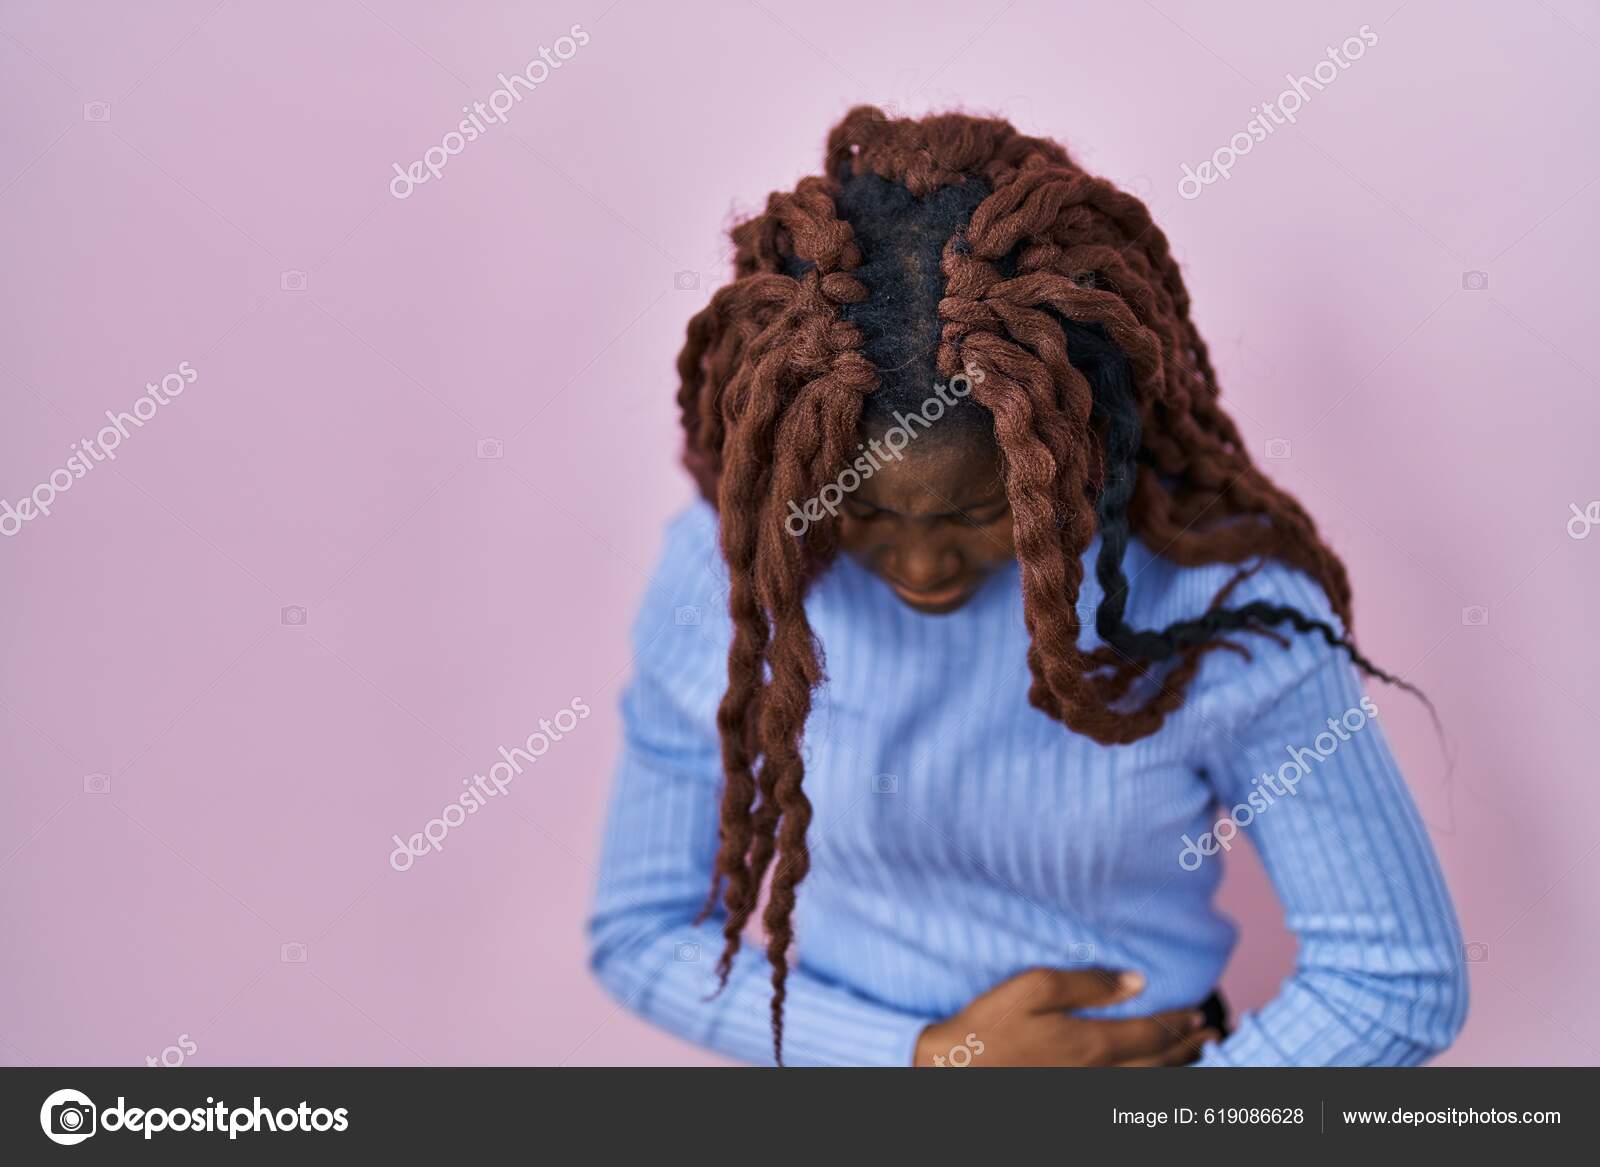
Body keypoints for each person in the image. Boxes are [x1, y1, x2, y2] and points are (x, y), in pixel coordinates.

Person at [588, 107, 1467, 1067]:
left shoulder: (1221, 603)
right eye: (864, 512)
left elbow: (1398, 980)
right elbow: (640, 931)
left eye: (979, 514)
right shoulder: (730, 571)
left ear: (1074, 452)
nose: (922, 566)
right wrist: (925, 1060)